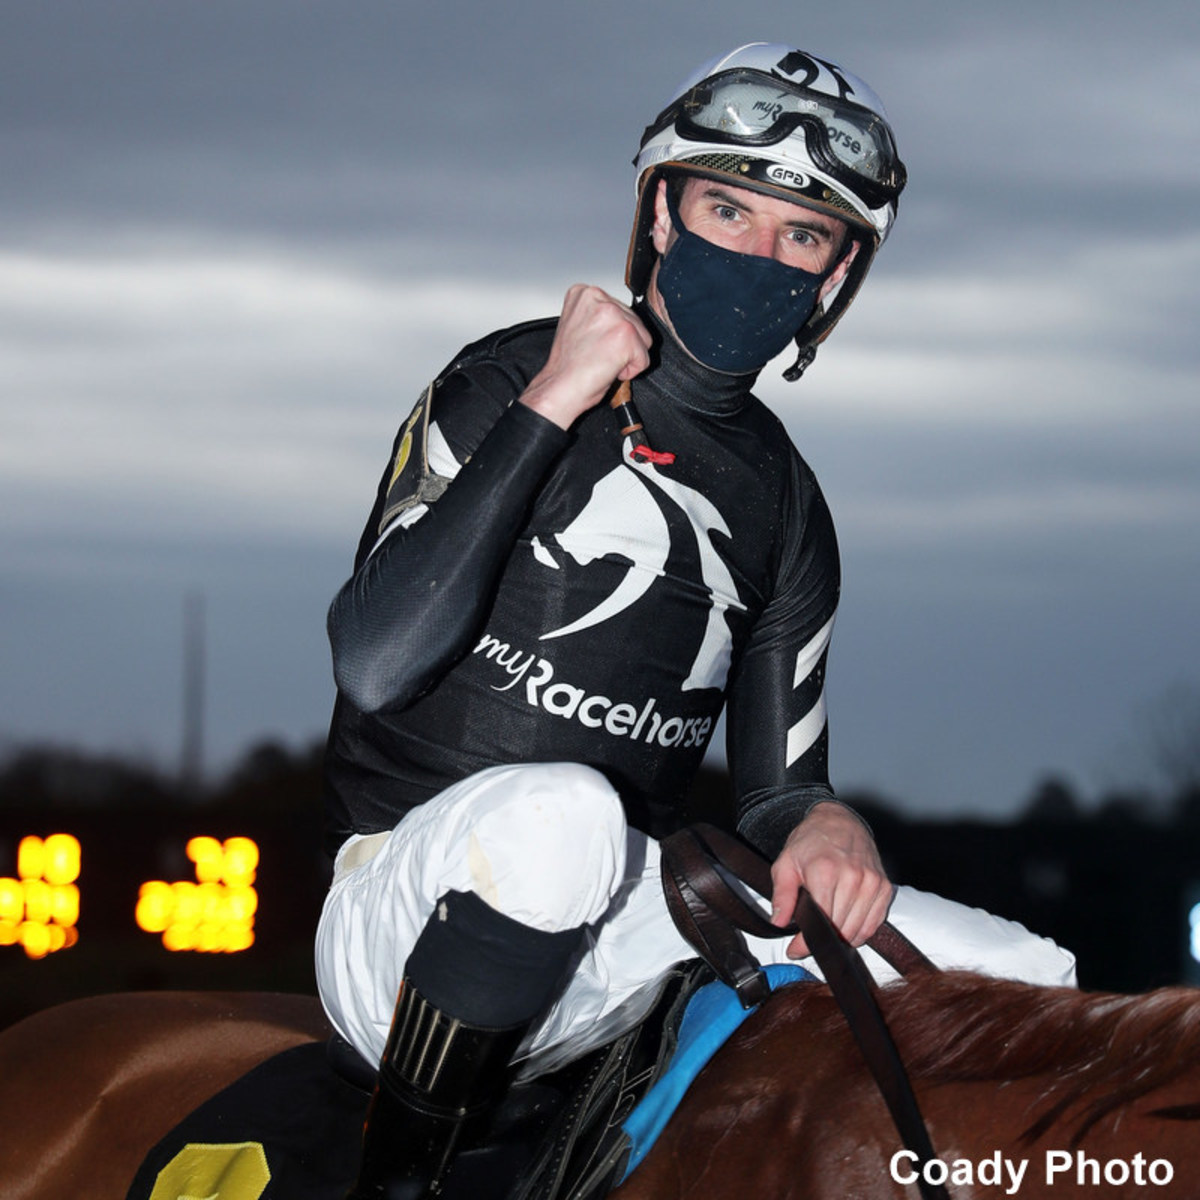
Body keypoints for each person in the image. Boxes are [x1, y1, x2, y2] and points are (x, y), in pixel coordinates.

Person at [316, 43, 1076, 1199]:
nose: (760, 255)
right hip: (406, 923)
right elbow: (374, 664)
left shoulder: (787, 501)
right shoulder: (503, 377)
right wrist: (552, 403)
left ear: (834, 278)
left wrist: (824, 825)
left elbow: (777, 790)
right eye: (729, 207)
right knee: (558, 819)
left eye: (801, 236)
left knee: (1030, 973)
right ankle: (397, 1184)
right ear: (662, 215)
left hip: (628, 923)